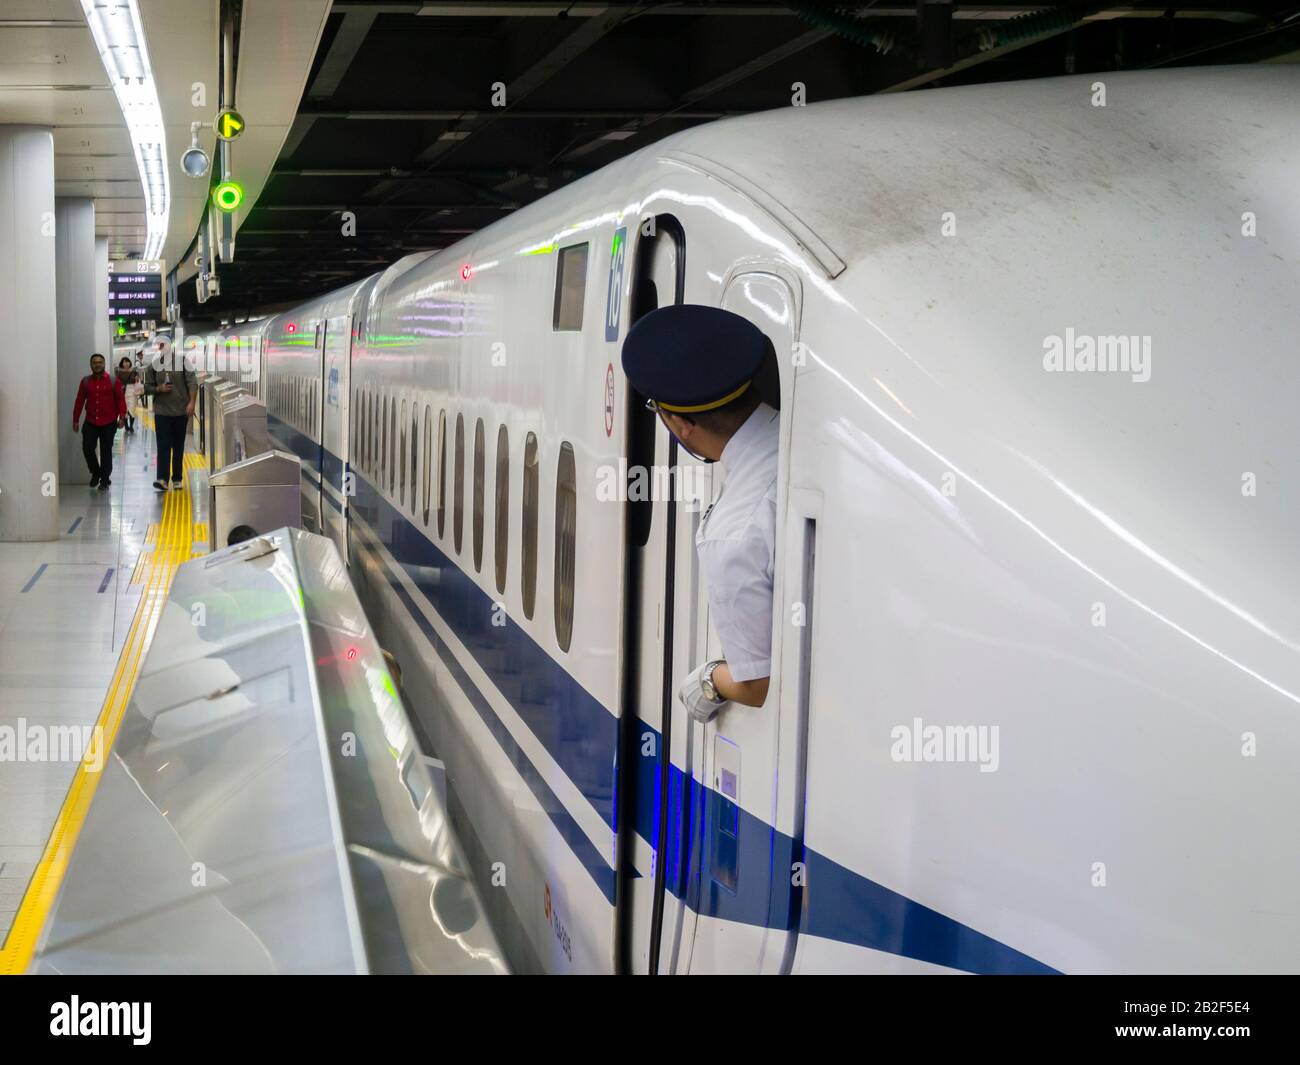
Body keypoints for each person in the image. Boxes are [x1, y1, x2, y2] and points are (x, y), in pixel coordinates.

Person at [620, 304, 779, 718]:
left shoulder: (731, 531)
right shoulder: (793, 440)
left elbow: (755, 683)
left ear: (681, 425)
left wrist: (708, 681)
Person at [144, 338, 197, 491]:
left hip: (181, 411)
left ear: (169, 345)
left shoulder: (182, 362)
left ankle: (177, 478)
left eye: (163, 344)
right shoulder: (154, 365)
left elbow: (192, 382)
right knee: (163, 446)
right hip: (162, 412)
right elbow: (146, 387)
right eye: (158, 345)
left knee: (178, 446)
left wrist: (192, 403)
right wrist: (158, 389)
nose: (160, 347)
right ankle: (162, 479)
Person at [72, 353, 127, 490]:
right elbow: (79, 400)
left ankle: (105, 479)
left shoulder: (114, 381)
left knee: (106, 450)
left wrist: (122, 416)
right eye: (94, 362)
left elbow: (120, 399)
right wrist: (76, 419)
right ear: (91, 365)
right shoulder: (85, 382)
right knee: (87, 448)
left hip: (109, 422)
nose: (97, 364)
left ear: (104, 364)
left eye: (100, 362)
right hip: (90, 421)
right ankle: (96, 473)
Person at [115, 357, 136, 434]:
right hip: (123, 393)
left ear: (130, 362)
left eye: (127, 361)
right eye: (124, 362)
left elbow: (138, 381)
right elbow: (117, 382)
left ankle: (131, 426)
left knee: (132, 410)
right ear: (122, 364)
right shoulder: (119, 372)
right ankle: (126, 426)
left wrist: (137, 379)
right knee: (125, 410)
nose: (126, 363)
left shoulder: (134, 371)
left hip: (133, 392)